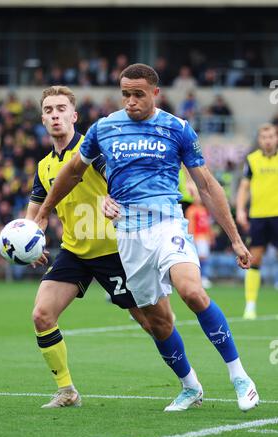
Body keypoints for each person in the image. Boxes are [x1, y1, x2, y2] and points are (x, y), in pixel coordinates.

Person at [35, 65, 259, 412]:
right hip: (128, 236)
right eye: (125, 93)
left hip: (168, 224)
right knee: (157, 321)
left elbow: (206, 185)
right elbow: (73, 172)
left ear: (155, 93)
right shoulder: (104, 129)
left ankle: (239, 376)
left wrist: (235, 239)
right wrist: (45, 210)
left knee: (192, 292)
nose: (131, 101)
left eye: (138, 93)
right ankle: (190, 386)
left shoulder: (177, 128)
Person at [27, 85, 158, 408]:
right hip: (75, 251)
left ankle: (188, 380)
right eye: (48, 110)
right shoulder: (44, 167)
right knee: (42, 315)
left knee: (152, 323)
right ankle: (67, 391)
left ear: (74, 115)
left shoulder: (92, 150)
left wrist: (116, 199)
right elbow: (35, 212)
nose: (54, 115)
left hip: (114, 251)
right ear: (42, 119)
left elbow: (120, 178)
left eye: (60, 109)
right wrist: (31, 239)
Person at [236, 123, 278, 320]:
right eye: (264, 137)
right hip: (259, 216)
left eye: (271, 136)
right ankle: (250, 306)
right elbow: (244, 187)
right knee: (255, 258)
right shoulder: (252, 160)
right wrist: (241, 210)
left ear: (276, 138)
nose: (268, 140)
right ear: (260, 140)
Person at [185, 189, 214, 289]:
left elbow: (207, 225)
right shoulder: (191, 210)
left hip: (204, 237)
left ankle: (204, 277)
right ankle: (197, 278)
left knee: (204, 257)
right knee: (197, 258)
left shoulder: (204, 210)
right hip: (197, 237)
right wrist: (191, 237)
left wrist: (210, 236)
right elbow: (190, 224)